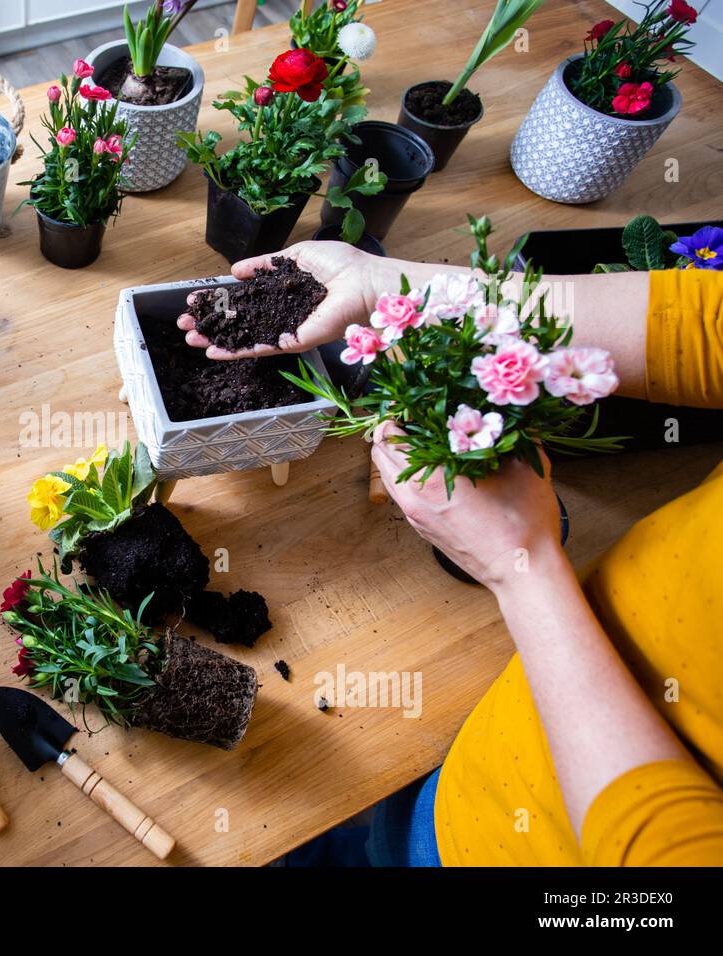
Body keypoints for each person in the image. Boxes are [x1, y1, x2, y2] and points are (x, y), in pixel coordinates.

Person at [180, 241, 723, 865]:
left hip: (518, 846)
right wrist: (382, 282)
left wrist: (522, 568)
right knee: (373, 837)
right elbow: (702, 326)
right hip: (511, 726)